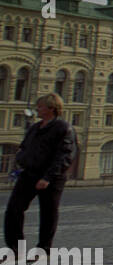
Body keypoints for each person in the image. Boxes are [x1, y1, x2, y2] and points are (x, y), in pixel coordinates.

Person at [3, 93, 77, 253]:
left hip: (51, 178)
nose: (38, 108)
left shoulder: (63, 128)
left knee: (48, 213)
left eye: (41, 106)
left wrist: (47, 177)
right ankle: (16, 249)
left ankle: (43, 248)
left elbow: (65, 155)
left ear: (52, 108)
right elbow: (24, 147)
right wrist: (21, 159)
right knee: (13, 210)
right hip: (29, 174)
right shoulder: (36, 127)